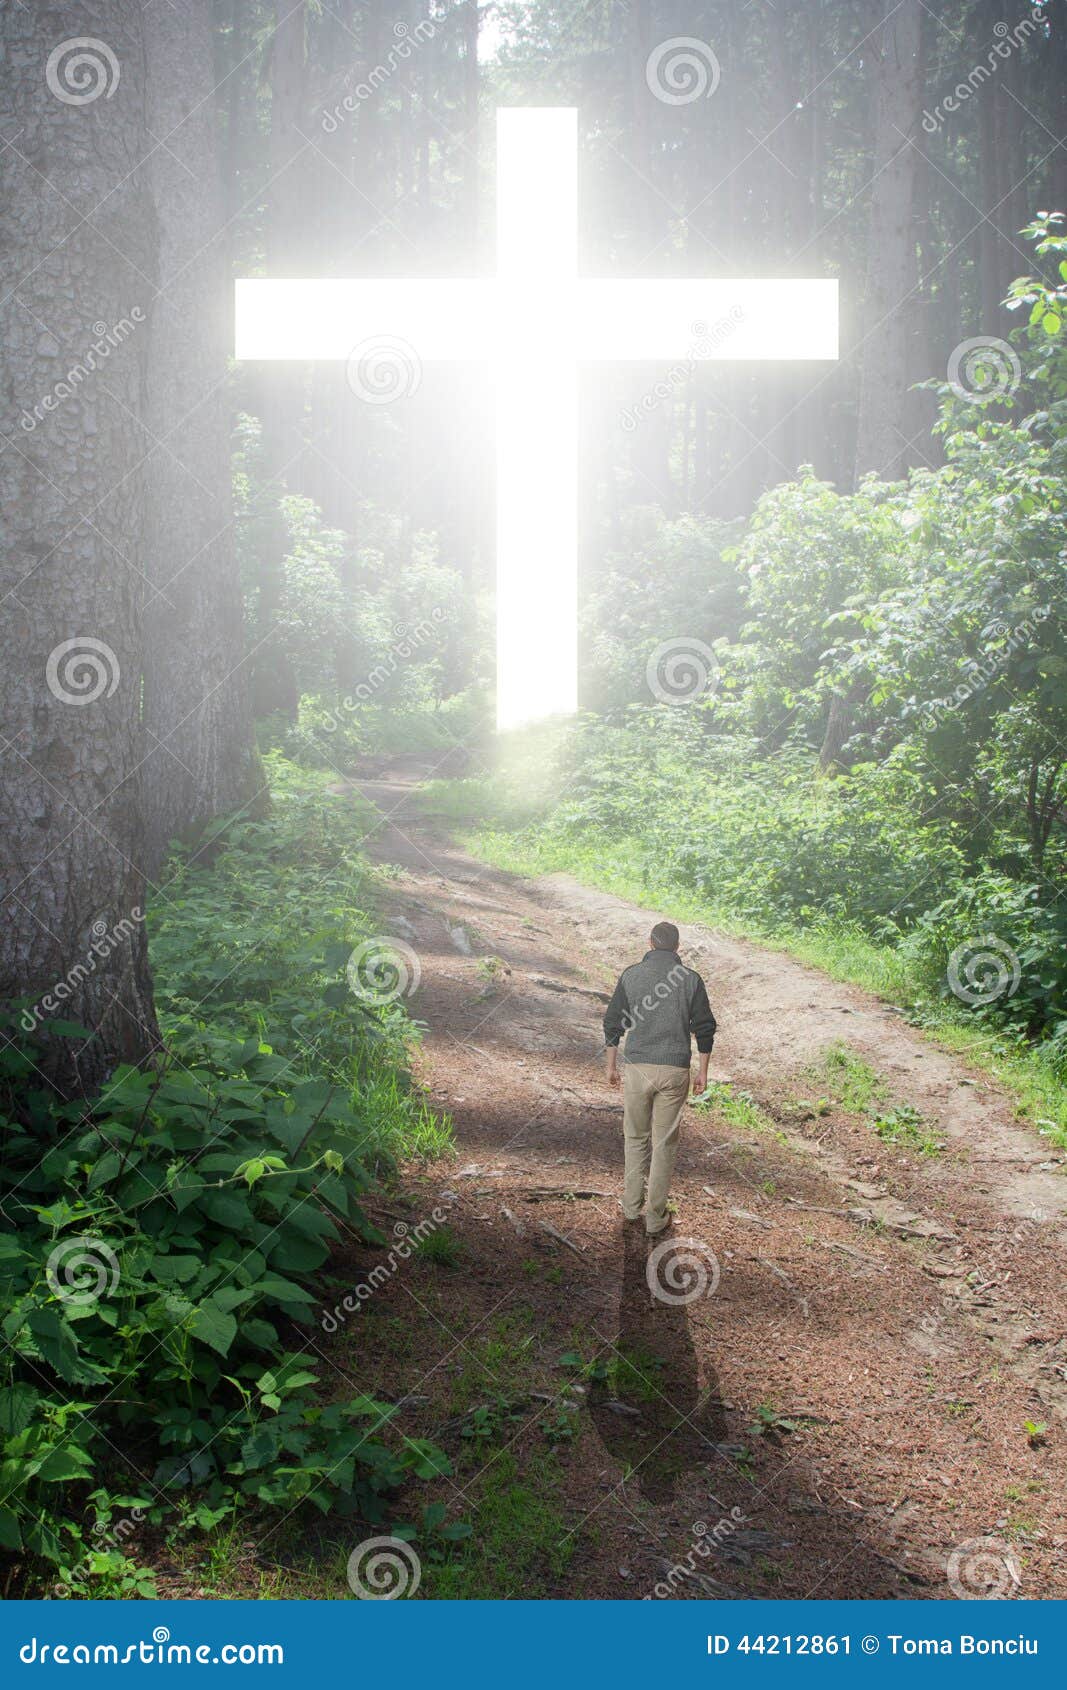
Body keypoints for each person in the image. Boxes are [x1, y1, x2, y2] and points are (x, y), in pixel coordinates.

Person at [602, 920, 717, 1237]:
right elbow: (705, 1027)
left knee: (635, 1138)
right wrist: (703, 1072)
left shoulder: (631, 975)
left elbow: (613, 1022)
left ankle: (630, 1207)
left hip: (638, 1068)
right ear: (677, 947)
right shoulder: (690, 980)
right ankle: (655, 1217)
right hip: (674, 1070)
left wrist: (611, 1066)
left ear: (650, 943)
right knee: (664, 1144)